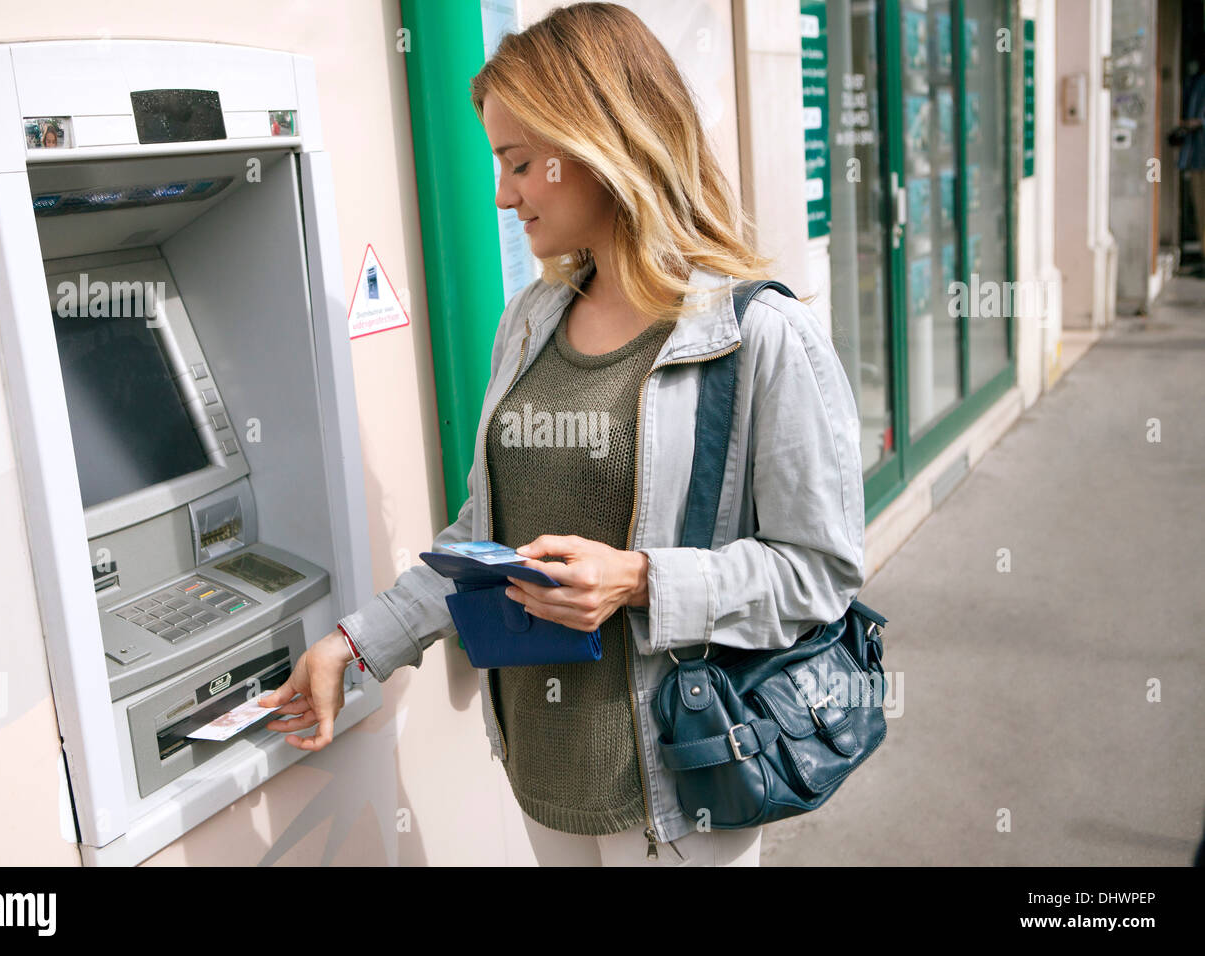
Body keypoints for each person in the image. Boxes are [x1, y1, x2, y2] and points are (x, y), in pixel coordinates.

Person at [257, 1, 865, 867]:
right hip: (544, 771)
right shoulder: (532, 319)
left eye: (517, 162)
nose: (502, 195)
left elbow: (822, 569)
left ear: (602, 143)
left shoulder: (758, 333)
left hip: (681, 784)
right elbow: (484, 540)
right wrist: (356, 644)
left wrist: (642, 579)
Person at [1178, 59, 1205, 272]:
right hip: (1197, 157)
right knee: (1200, 208)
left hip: (1199, 154)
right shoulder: (1195, 81)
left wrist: (1196, 123)